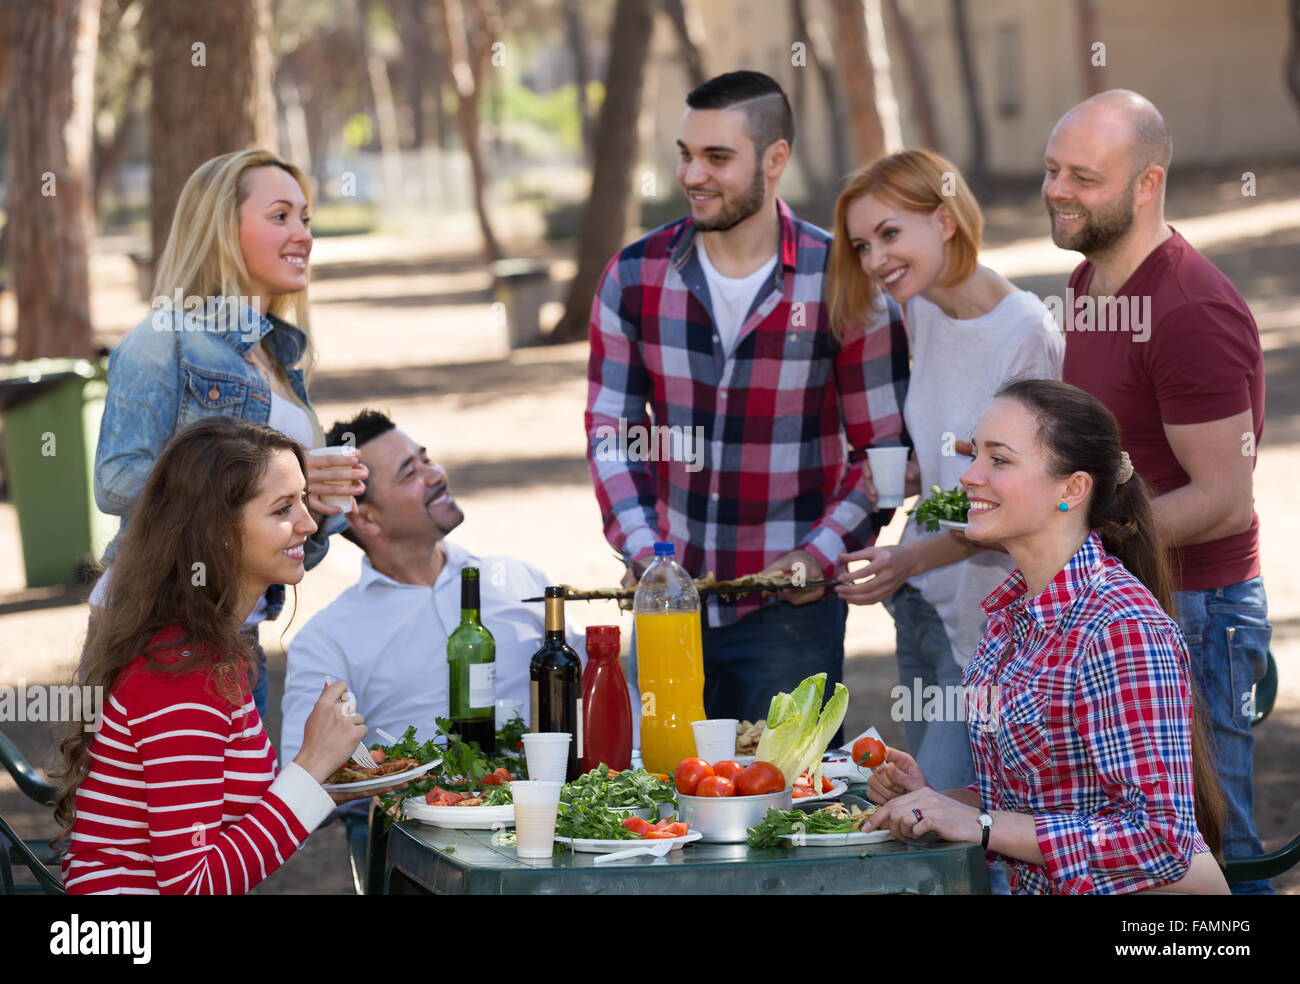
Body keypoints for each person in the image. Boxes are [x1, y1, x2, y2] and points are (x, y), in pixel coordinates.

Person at [585, 70, 908, 724]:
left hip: (792, 619)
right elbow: (611, 436)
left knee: (790, 810)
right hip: (665, 610)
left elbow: (885, 456)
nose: (692, 174)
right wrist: (649, 560)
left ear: (775, 159)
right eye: (685, 154)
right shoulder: (634, 276)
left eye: (717, 158)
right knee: (667, 805)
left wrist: (814, 558)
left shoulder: (844, 280)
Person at [863, 380, 1229, 895]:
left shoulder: (1120, 627)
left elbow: (1158, 840)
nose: (968, 476)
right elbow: (1039, 801)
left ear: (1073, 489)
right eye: (975, 455)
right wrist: (936, 801)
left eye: (1000, 460)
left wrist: (981, 825)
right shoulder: (1009, 615)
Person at [1043, 90, 1272, 893]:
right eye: (1051, 170)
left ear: (1147, 183)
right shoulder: (1084, 283)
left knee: (1215, 848)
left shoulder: (1191, 309)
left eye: (1083, 176)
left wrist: (1071, 538)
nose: (1057, 190)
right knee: (1143, 849)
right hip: (1131, 606)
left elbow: (1223, 499)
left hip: (1200, 615)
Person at [92, 148, 367, 724]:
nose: (303, 235)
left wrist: (318, 505)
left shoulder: (282, 354)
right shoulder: (163, 339)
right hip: (159, 629)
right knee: (172, 815)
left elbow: (277, 535)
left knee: (238, 812)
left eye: (306, 219)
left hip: (241, 633)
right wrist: (255, 484)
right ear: (223, 227)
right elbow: (116, 480)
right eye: (281, 216)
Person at [56, 417, 384, 895]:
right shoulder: (181, 673)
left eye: (304, 501)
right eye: (283, 509)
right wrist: (309, 767)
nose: (310, 524)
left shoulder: (207, 648)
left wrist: (329, 775)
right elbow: (193, 886)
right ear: (219, 531)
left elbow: (229, 826)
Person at [828, 149, 1063, 792]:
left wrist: (908, 558)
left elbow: (1023, 505)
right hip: (926, 610)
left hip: (991, 632)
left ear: (946, 221)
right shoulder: (921, 308)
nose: (875, 259)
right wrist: (913, 468)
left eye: (890, 234)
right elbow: (958, 453)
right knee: (926, 815)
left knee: (942, 822)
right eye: (862, 244)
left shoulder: (1024, 334)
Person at [280, 409, 590, 763]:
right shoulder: (327, 639)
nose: (436, 475)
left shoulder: (521, 581)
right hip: (416, 811)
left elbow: (596, 682)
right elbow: (306, 771)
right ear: (365, 517)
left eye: (426, 459)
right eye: (410, 472)